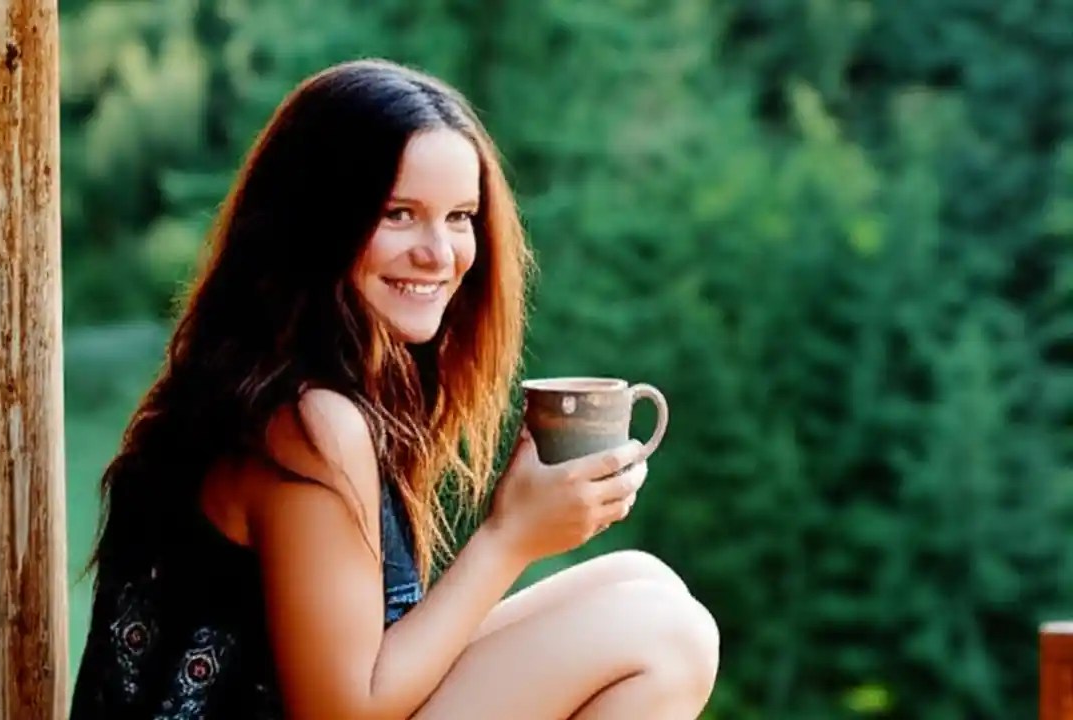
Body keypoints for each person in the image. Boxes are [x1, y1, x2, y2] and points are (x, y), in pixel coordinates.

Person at [70, 58, 720, 720]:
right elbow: (342, 711)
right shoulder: (309, 422)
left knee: (642, 585)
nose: (440, 253)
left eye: (461, 215)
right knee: (667, 637)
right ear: (315, 222)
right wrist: (509, 537)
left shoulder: (266, 380)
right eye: (399, 214)